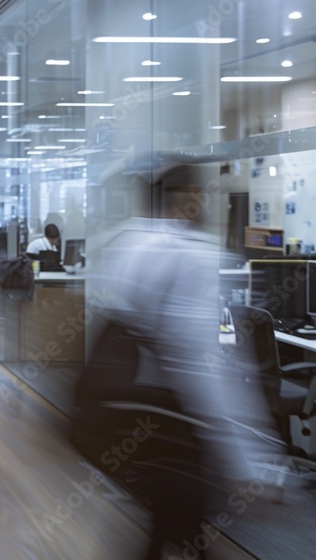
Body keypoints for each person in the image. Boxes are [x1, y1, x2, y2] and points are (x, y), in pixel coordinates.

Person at [81, 157, 282, 560]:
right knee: (185, 535)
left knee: (170, 532)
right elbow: (203, 368)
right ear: (187, 197)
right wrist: (246, 461)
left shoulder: (129, 244)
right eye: (203, 192)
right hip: (175, 427)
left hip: (124, 420)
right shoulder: (192, 257)